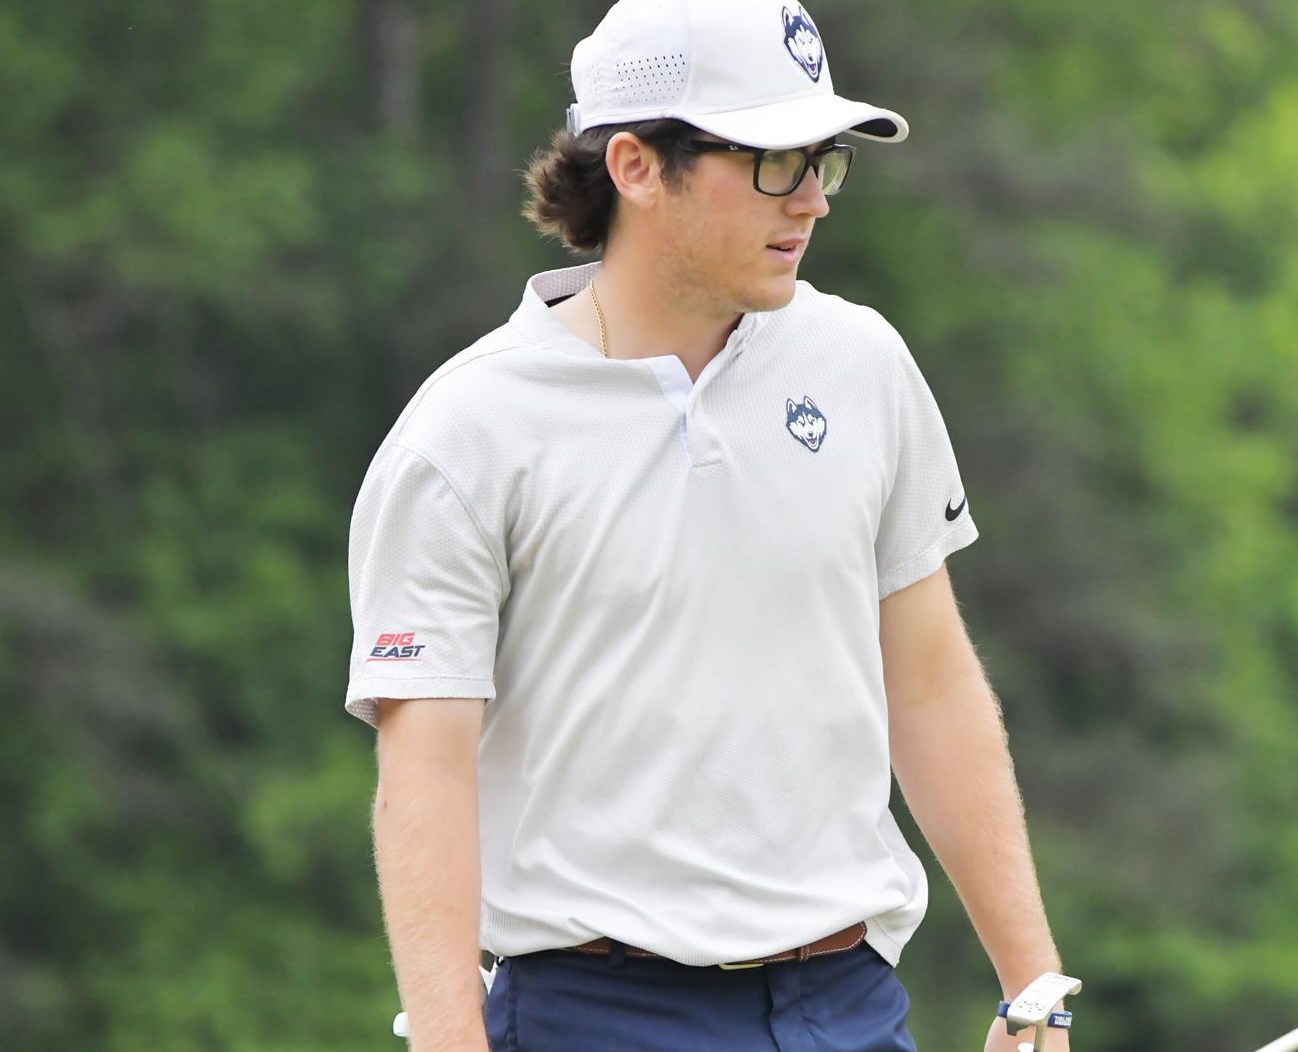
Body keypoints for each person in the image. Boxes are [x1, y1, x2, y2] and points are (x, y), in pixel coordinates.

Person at [344, 1, 1071, 1049]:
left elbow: (928, 681)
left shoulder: (859, 363)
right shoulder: (465, 433)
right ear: (636, 166)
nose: (813, 200)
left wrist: (1030, 982)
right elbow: (426, 773)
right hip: (595, 1015)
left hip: (848, 1004)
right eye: (775, 163)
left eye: (822, 160)